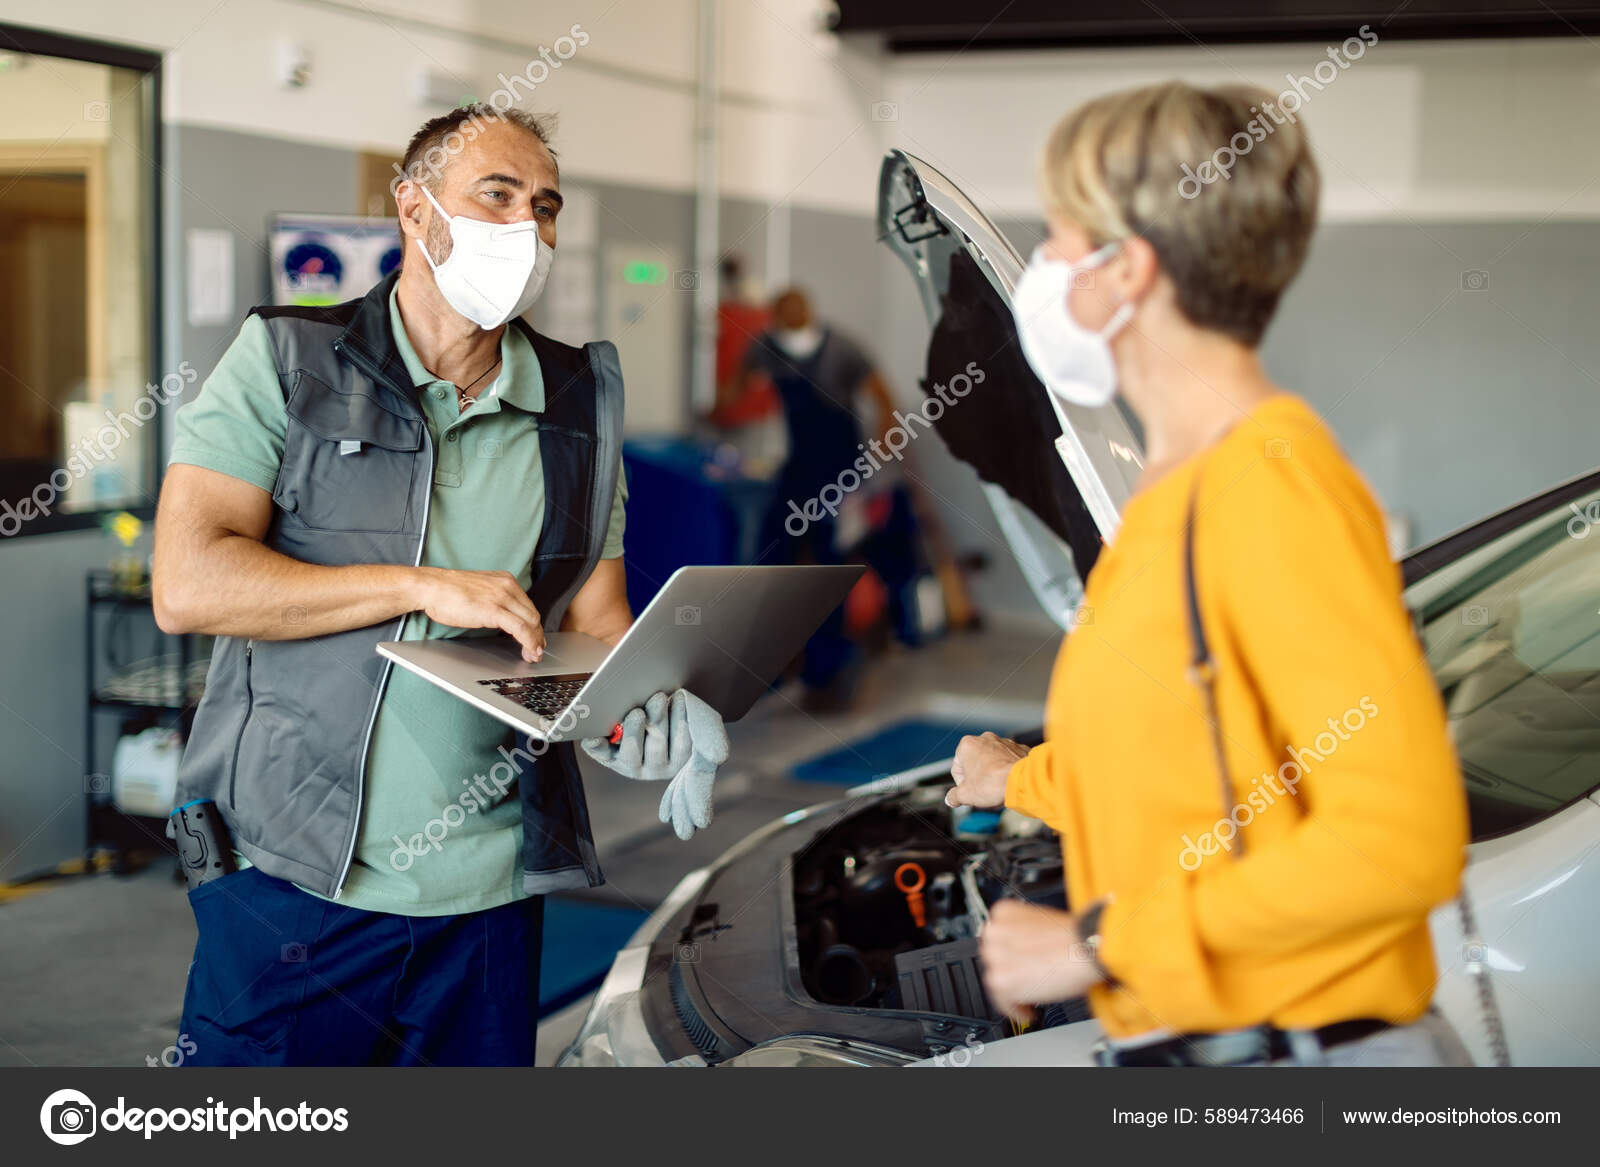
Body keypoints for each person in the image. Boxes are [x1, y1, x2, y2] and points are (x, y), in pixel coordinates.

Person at [153, 105, 720, 1067]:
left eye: (544, 207)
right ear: (414, 212)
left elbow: (594, 618)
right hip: (294, 882)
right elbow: (188, 582)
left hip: (491, 895)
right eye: (494, 194)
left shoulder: (583, 404)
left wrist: (641, 713)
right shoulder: (289, 360)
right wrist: (422, 586)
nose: (526, 228)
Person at [946, 82, 1472, 1066]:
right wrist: (1021, 776)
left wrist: (1092, 943)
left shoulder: (1271, 487)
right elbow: (1176, 757)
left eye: (1058, 239)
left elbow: (1397, 839)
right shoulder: (1170, 491)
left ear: (1127, 268)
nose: (1042, 270)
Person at [740, 288, 921, 704]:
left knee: (829, 568)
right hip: (798, 471)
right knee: (771, 562)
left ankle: (826, 675)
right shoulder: (766, 347)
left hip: (840, 472)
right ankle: (771, 668)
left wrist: (882, 446)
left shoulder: (841, 348)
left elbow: (882, 394)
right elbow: (736, 388)